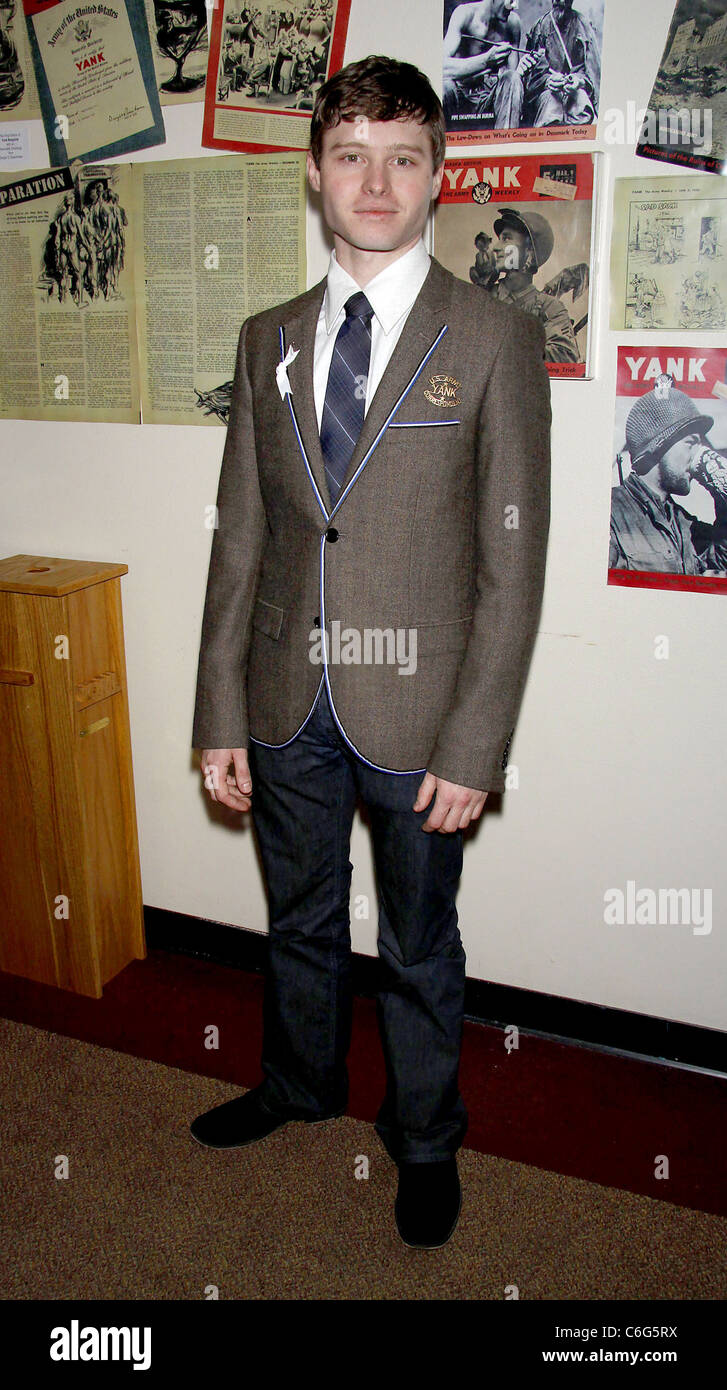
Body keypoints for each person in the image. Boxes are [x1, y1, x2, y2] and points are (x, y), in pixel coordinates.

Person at [190, 54, 551, 1250]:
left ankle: (425, 1136)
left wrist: (477, 741)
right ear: (315, 174)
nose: (376, 180)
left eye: (403, 157)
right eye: (352, 155)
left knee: (415, 941)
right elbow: (241, 539)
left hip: (422, 712)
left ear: (438, 174)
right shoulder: (267, 340)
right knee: (297, 916)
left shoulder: (493, 335)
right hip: (285, 697)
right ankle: (299, 1083)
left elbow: (512, 565)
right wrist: (216, 714)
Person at [610, 380, 727, 575]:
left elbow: (719, 561)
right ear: (657, 445)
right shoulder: (610, 513)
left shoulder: (683, 522)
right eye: (692, 443)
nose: (699, 456)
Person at [486, 205, 580, 363]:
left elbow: (564, 356)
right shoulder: (481, 298)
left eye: (506, 239)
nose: (496, 247)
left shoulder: (549, 308)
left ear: (529, 250)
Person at [443, 0, 524, 129]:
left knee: (513, 78)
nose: (514, 6)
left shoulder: (513, 23)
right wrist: (486, 61)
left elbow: (512, 74)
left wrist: (524, 69)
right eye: (511, 1)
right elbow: (443, 67)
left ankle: (506, 142)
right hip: (461, 95)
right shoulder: (465, 14)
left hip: (490, 97)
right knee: (444, 85)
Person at [520, 0, 600, 129]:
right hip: (547, 93)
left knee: (581, 102)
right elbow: (530, 80)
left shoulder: (585, 27)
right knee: (551, 107)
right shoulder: (540, 28)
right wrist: (547, 81)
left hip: (575, 89)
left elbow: (593, 73)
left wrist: (579, 81)